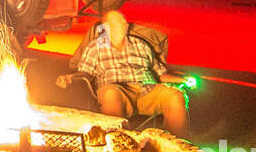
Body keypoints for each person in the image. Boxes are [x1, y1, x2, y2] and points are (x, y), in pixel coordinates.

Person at [55, 10, 189, 133]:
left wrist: (183, 80)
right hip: (117, 90)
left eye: (123, 21)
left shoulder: (140, 44)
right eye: (116, 21)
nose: (123, 23)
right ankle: (117, 143)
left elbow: (160, 73)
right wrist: (70, 78)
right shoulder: (95, 47)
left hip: (147, 89)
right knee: (110, 94)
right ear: (105, 27)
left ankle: (177, 146)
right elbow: (85, 73)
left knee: (177, 96)